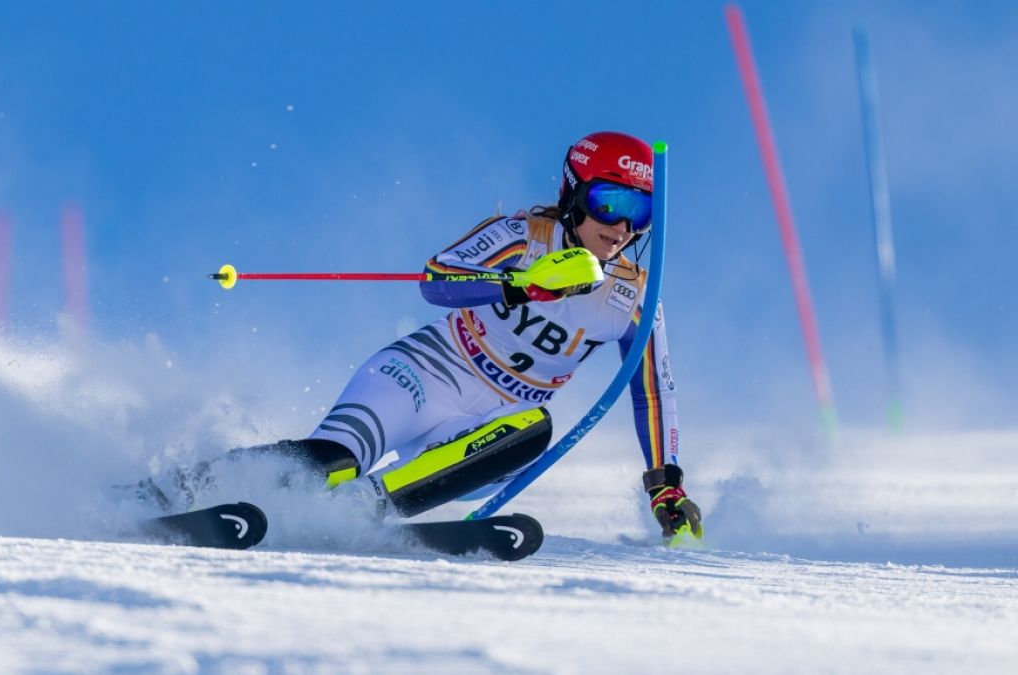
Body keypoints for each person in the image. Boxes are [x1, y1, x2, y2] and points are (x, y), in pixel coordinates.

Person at [147, 131, 702, 542]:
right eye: (612, 202)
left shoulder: (635, 295)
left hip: (486, 430)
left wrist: (665, 484)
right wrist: (519, 286)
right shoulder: (522, 236)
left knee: (535, 428)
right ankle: (174, 489)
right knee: (335, 459)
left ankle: (361, 510)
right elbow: (436, 281)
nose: (623, 226)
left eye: (640, 212)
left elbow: (653, 391)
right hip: (421, 376)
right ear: (576, 194)